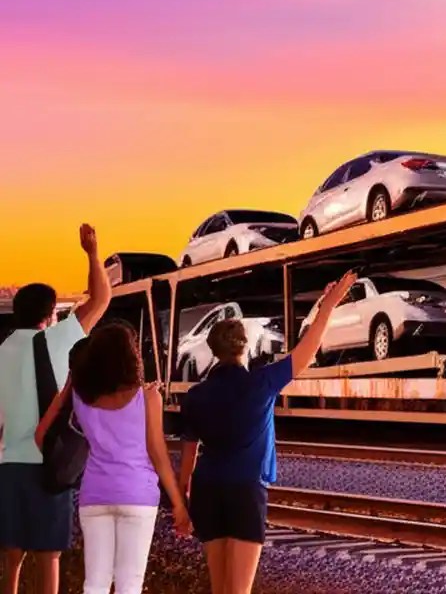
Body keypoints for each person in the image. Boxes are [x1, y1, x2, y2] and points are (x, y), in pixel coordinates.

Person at [178, 270, 355, 594]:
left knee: (220, 589)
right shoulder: (262, 383)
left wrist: (182, 506)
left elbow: (187, 461)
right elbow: (307, 351)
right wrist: (327, 306)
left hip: (208, 493)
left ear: (214, 351)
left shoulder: (196, 396)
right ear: (244, 349)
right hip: (246, 492)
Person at [35, 322, 192, 594]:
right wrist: (178, 504)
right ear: (129, 356)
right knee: (129, 584)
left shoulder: (81, 397)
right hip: (137, 497)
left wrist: (71, 384)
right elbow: (157, 454)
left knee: (94, 583)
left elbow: (41, 435)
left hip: (95, 497)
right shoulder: (148, 397)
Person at [0, 224, 111, 594]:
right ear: (50, 314)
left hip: (9, 464)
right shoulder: (58, 338)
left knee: (11, 553)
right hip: (50, 460)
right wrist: (92, 254)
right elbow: (100, 299)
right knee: (49, 554)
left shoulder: (1, 352)